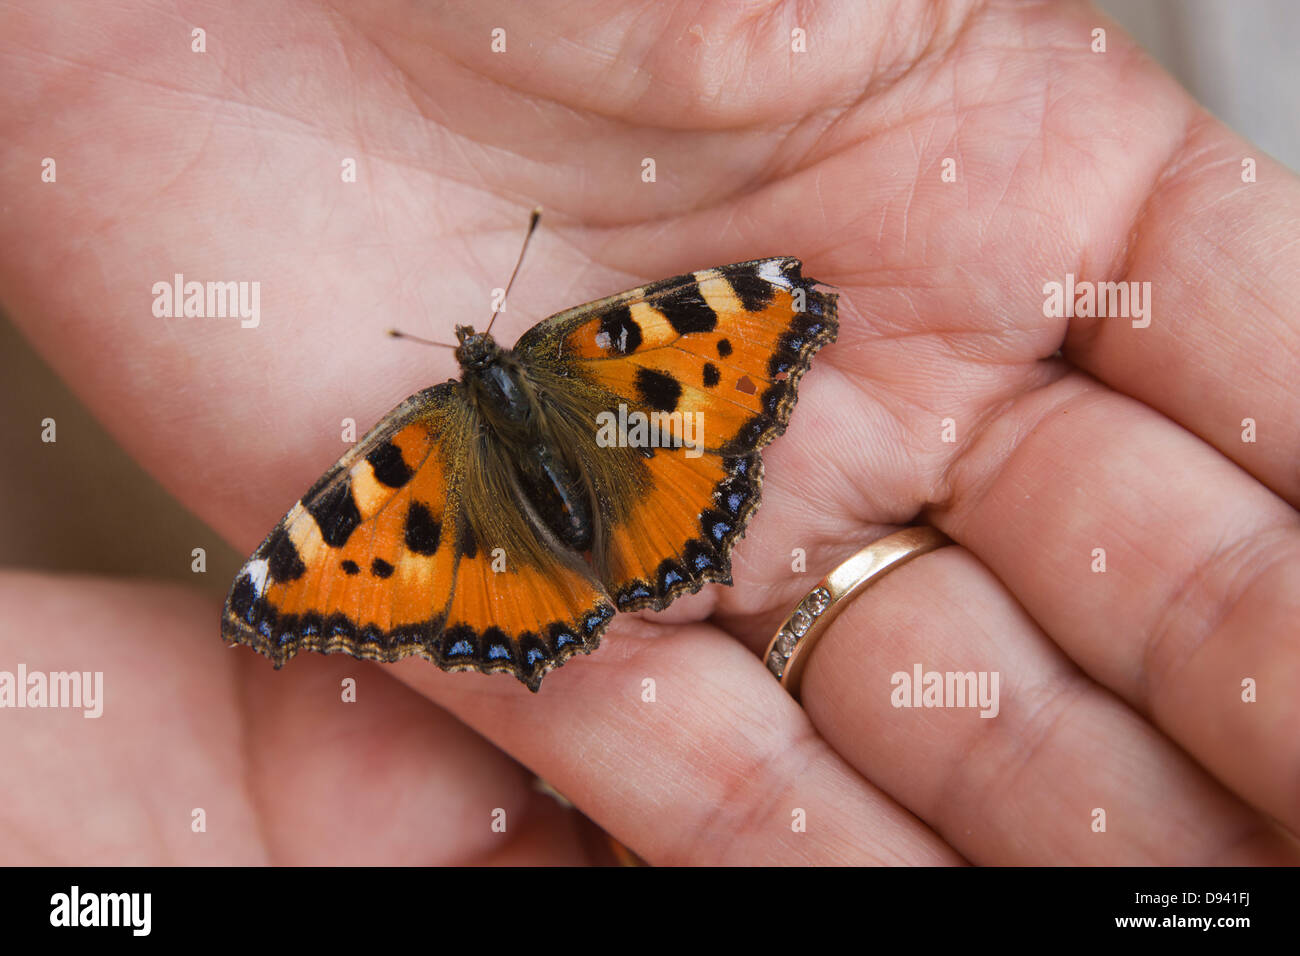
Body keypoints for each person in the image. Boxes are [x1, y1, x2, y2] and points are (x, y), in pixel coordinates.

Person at [0, 1, 1295, 864]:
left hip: (514, 566)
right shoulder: (602, 349)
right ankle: (642, 556)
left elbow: (762, 314)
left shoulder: (411, 452)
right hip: (656, 487)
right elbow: (738, 320)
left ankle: (565, 591)